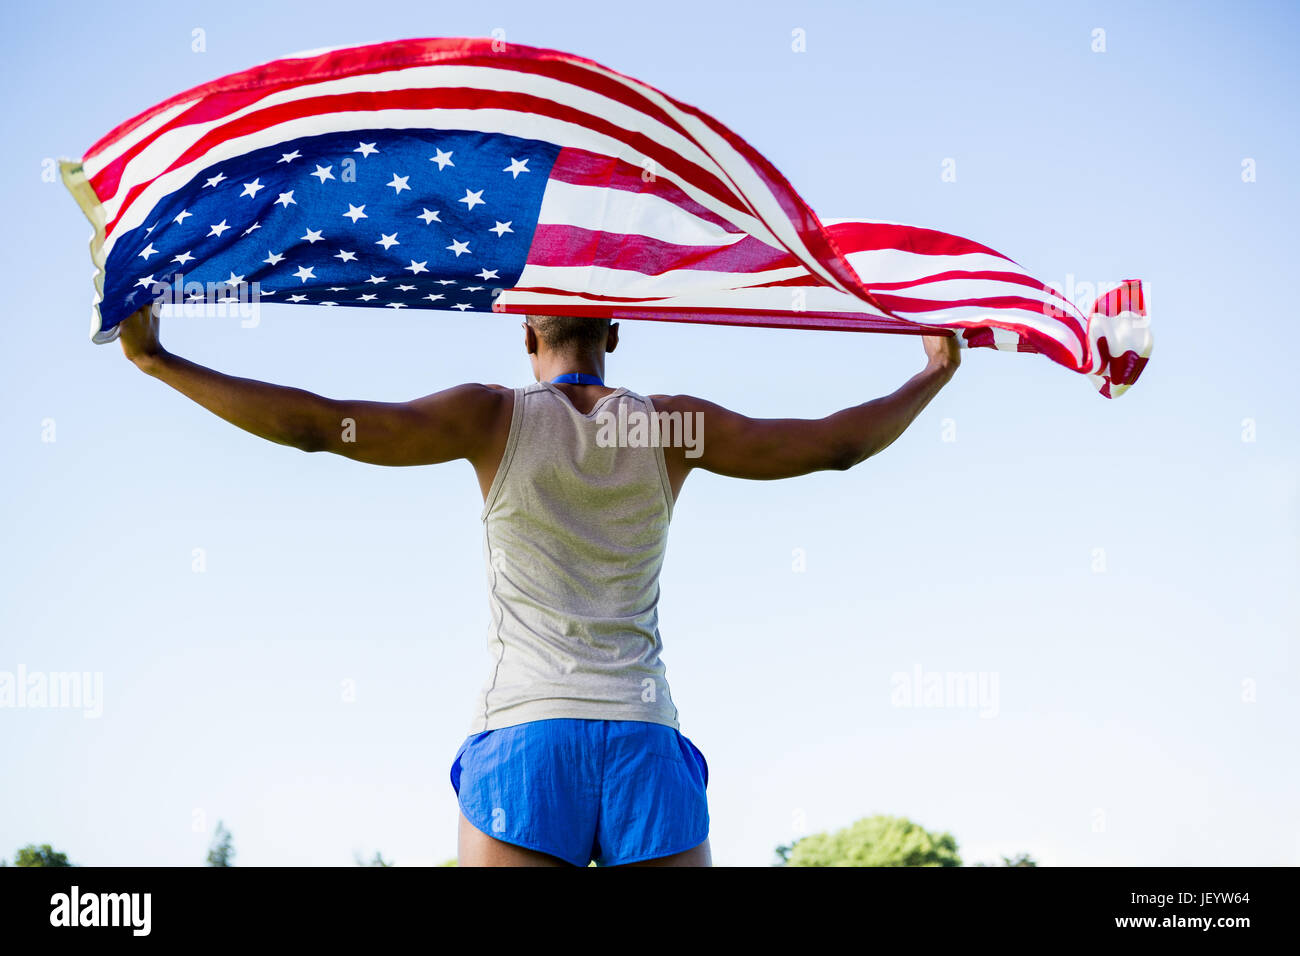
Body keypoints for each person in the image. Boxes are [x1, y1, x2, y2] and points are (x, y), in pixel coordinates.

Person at [115, 301, 960, 867]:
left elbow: (315, 429)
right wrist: (930, 373)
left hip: (526, 740)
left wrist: (158, 360)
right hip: (641, 738)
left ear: (525, 332)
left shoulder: (492, 415)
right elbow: (834, 444)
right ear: (618, 332)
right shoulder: (674, 425)